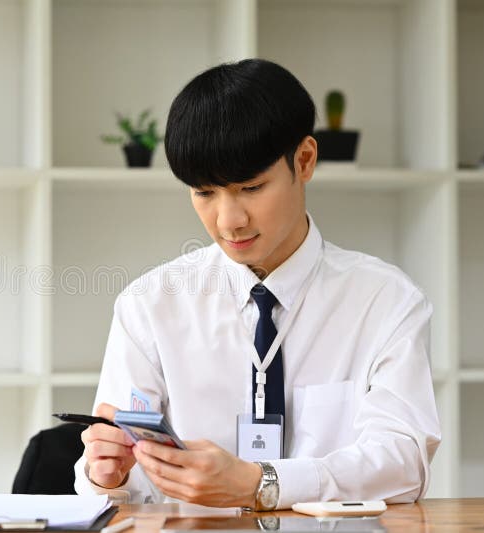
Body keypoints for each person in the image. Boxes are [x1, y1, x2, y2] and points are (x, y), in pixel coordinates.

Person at [74, 59, 441, 510]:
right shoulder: (149, 305)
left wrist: (261, 483)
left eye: (250, 188)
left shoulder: (385, 301)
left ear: (304, 160)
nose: (229, 221)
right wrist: (105, 475)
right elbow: (122, 489)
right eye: (204, 193)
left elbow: (403, 464)